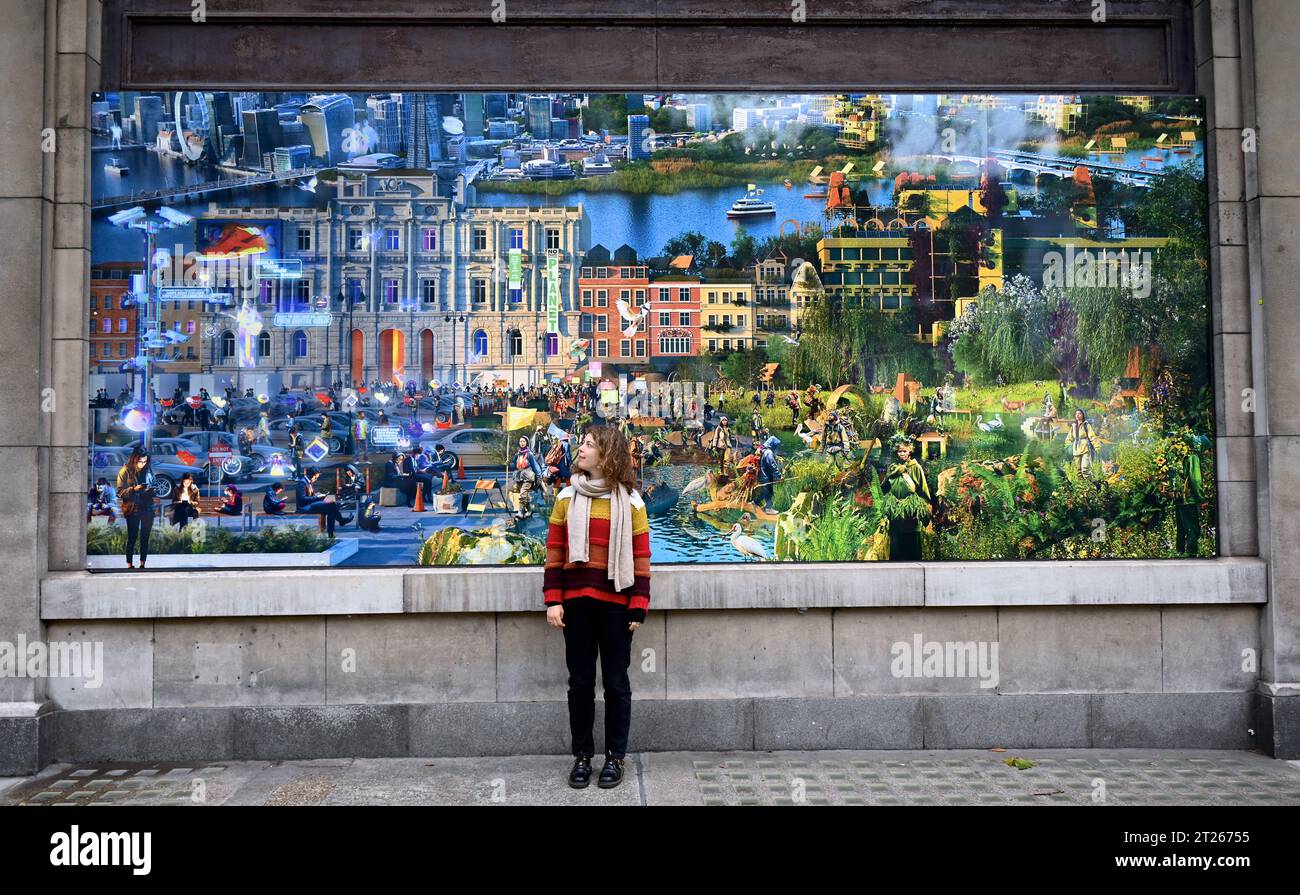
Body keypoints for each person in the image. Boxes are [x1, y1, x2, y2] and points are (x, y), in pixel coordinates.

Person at [543, 425, 651, 790]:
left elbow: (641, 559)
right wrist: (553, 599)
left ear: (607, 454)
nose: (581, 449)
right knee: (580, 684)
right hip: (576, 607)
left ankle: (615, 758)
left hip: (618, 608)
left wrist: (638, 604)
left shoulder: (632, 502)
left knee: (617, 684)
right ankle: (583, 756)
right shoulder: (566, 497)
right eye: (583, 444)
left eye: (589, 445)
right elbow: (555, 553)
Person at [116, 447, 157, 569]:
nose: (142, 464)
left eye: (145, 462)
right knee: (132, 537)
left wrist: (152, 490)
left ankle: (143, 564)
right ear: (134, 459)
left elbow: (154, 484)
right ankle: (129, 564)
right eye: (140, 461)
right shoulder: (125, 471)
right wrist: (133, 489)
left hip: (147, 507)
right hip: (132, 509)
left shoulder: (148, 470)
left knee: (145, 537)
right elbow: (120, 493)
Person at [295, 467, 352, 535]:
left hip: (310, 504)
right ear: (311, 475)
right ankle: (341, 521)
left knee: (331, 509)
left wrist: (318, 495)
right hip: (304, 507)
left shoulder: (308, 482)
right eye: (315, 477)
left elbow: (310, 496)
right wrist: (317, 497)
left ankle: (331, 534)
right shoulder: (302, 483)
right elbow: (302, 499)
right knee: (331, 505)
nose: (316, 479)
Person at [1068, 409, 1101, 477]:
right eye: (1076, 414)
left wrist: (1097, 446)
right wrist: (1066, 446)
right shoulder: (1074, 426)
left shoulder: (1086, 425)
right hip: (1076, 449)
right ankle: (1082, 485)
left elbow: (1092, 436)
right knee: (1078, 470)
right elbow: (1069, 437)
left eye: (1079, 413)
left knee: (1085, 469)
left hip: (1085, 448)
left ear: (1083, 415)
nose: (1077, 415)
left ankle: (1092, 483)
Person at [757, 435, 782, 511]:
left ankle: (754, 503)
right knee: (769, 492)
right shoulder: (769, 453)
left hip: (763, 475)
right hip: (767, 476)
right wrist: (779, 476)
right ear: (773, 444)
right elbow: (773, 465)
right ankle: (769, 509)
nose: (777, 447)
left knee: (764, 492)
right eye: (776, 445)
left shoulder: (764, 451)